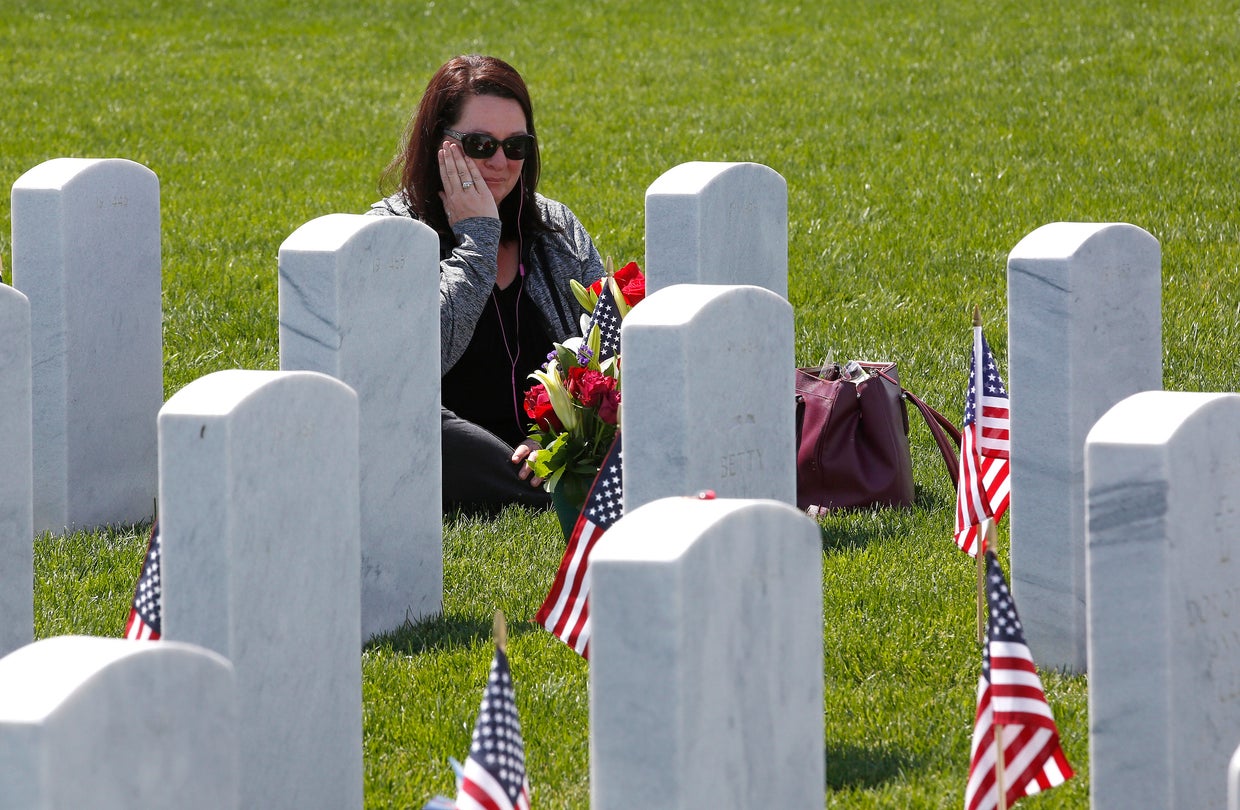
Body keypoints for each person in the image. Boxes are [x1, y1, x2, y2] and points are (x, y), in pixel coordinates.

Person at [369, 55, 605, 515]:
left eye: (516, 146)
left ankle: (554, 474)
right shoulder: (387, 234)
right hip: (449, 440)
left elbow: (602, 353)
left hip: (543, 444)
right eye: (480, 144)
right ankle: (551, 488)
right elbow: (407, 368)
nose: (500, 161)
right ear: (438, 142)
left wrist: (555, 443)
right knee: (407, 422)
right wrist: (477, 242)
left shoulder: (555, 228)